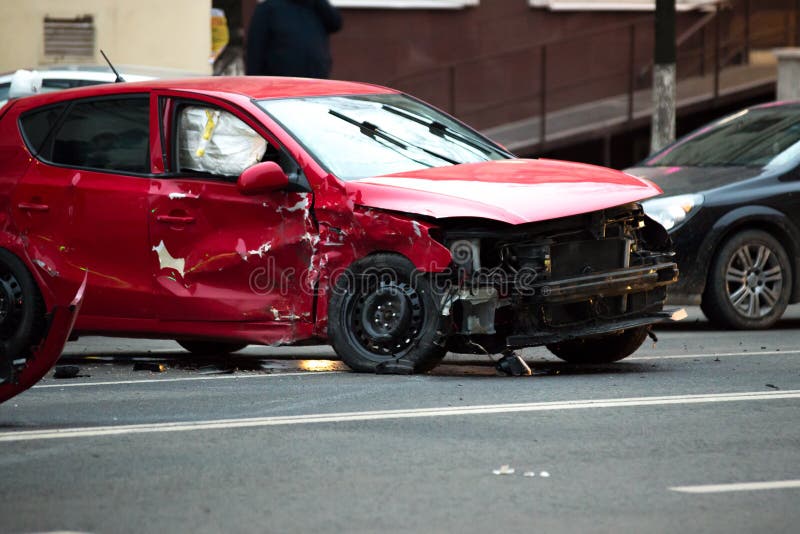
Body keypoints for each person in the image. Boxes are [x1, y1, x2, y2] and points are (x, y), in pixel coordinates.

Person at [246, 0, 342, 78]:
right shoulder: (268, 9)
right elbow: (255, 51)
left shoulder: (315, 7)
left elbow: (336, 24)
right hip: (281, 86)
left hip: (316, 82)